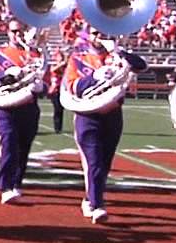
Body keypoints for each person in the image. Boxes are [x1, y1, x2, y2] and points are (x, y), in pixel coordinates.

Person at [62, 31, 147, 223]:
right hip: (87, 116)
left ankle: (89, 198)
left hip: (113, 115)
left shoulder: (117, 56)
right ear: (88, 35)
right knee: (94, 161)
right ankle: (97, 205)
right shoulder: (78, 58)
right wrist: (94, 77)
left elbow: (142, 66)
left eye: (102, 32)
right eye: (94, 33)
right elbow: (73, 87)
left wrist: (118, 51)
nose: (99, 36)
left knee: (105, 163)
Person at [0, 20, 43, 205]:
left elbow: (44, 79)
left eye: (21, 31)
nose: (18, 35)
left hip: (28, 105)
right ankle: (5, 186)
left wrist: (41, 84)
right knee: (8, 139)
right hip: (4, 105)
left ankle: (16, 183)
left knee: (23, 147)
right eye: (14, 31)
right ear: (8, 33)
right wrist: (6, 74)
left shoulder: (35, 54)